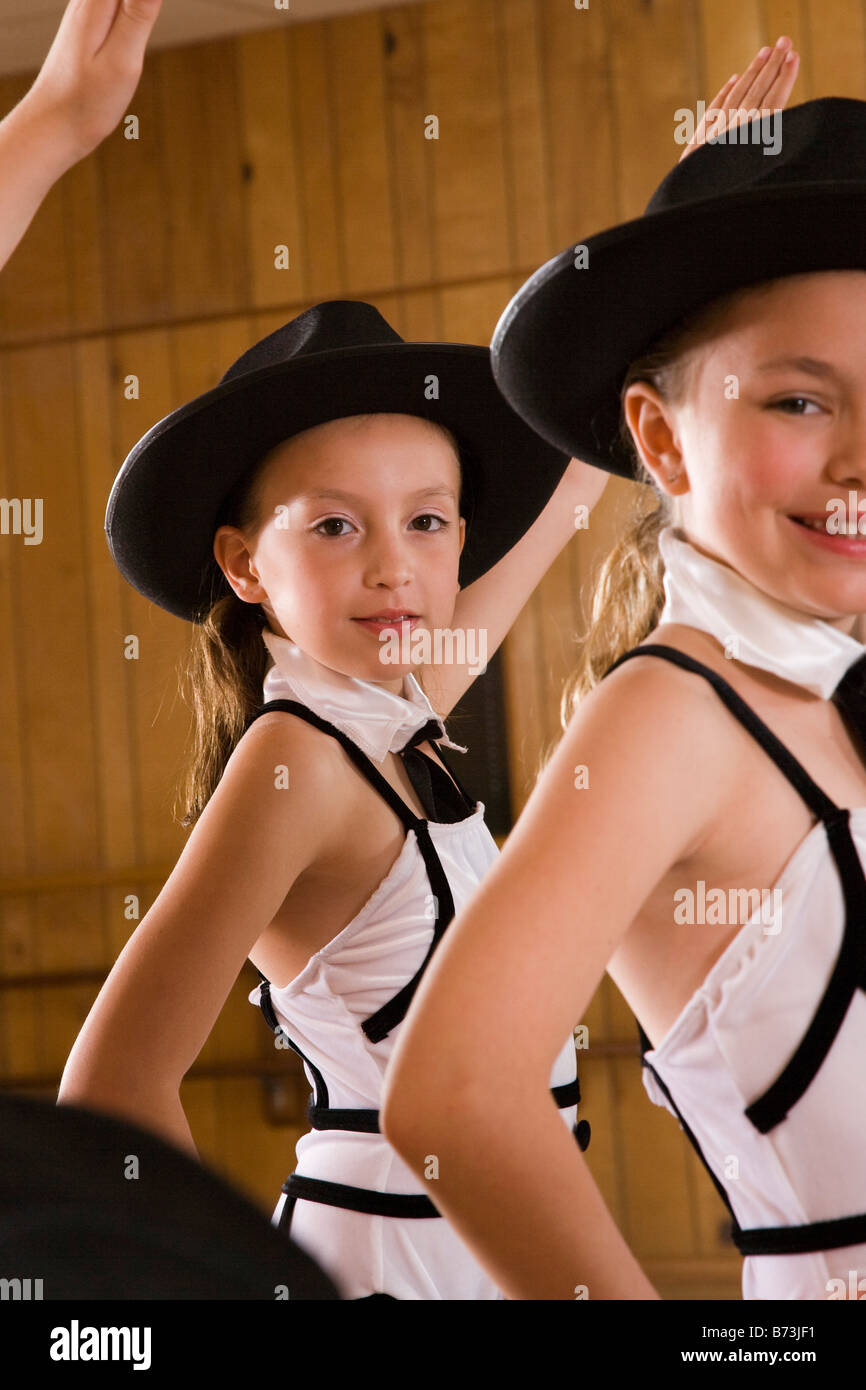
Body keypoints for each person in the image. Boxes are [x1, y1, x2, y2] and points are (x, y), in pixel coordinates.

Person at [49, 14, 794, 1300]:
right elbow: (109, 1088)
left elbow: (562, 501)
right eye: (334, 526)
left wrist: (680, 235)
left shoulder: (390, 709)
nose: (396, 564)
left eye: (428, 521)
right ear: (242, 566)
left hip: (490, 1242)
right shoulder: (295, 758)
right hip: (384, 1258)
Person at [380, 90, 866, 1303]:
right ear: (658, 439)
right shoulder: (673, 717)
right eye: (797, 401)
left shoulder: (828, 685)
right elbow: (450, 1096)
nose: (858, 458)